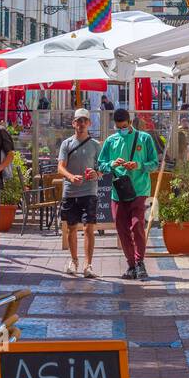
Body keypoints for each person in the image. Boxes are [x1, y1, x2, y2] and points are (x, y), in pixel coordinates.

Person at [97, 107, 159, 281]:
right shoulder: (111, 141)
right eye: (118, 127)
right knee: (121, 228)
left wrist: (138, 165)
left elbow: (154, 163)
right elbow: (100, 164)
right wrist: (111, 164)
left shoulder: (144, 138)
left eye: (124, 126)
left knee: (137, 225)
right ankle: (131, 265)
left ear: (130, 123)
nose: (121, 130)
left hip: (139, 188)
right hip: (118, 191)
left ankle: (140, 263)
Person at [56, 110, 102, 277]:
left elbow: (102, 168)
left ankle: (88, 265)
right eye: (78, 121)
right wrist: (70, 176)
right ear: (73, 123)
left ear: (89, 123)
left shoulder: (96, 145)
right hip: (70, 192)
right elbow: (60, 167)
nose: (81, 124)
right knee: (71, 228)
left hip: (89, 191)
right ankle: (74, 260)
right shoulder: (66, 144)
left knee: (89, 227)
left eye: (85, 121)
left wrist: (97, 174)